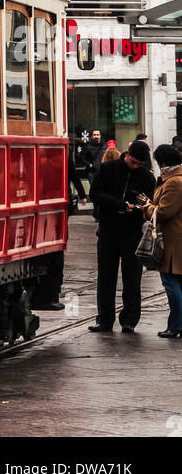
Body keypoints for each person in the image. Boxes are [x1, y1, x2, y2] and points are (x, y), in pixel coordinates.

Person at [88, 139, 155, 334]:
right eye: (133, 161)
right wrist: (118, 204)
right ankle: (104, 320)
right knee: (106, 277)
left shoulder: (146, 177)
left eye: (139, 164)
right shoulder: (108, 168)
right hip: (108, 231)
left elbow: (150, 204)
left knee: (132, 278)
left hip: (132, 233)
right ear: (126, 154)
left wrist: (136, 209)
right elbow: (95, 193)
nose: (135, 166)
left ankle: (129, 320)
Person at [137, 145, 182, 337]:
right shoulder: (173, 179)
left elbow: (164, 212)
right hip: (175, 239)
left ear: (163, 163)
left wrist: (146, 207)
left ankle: (176, 325)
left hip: (173, 241)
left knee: (171, 282)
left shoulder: (174, 182)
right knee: (176, 283)